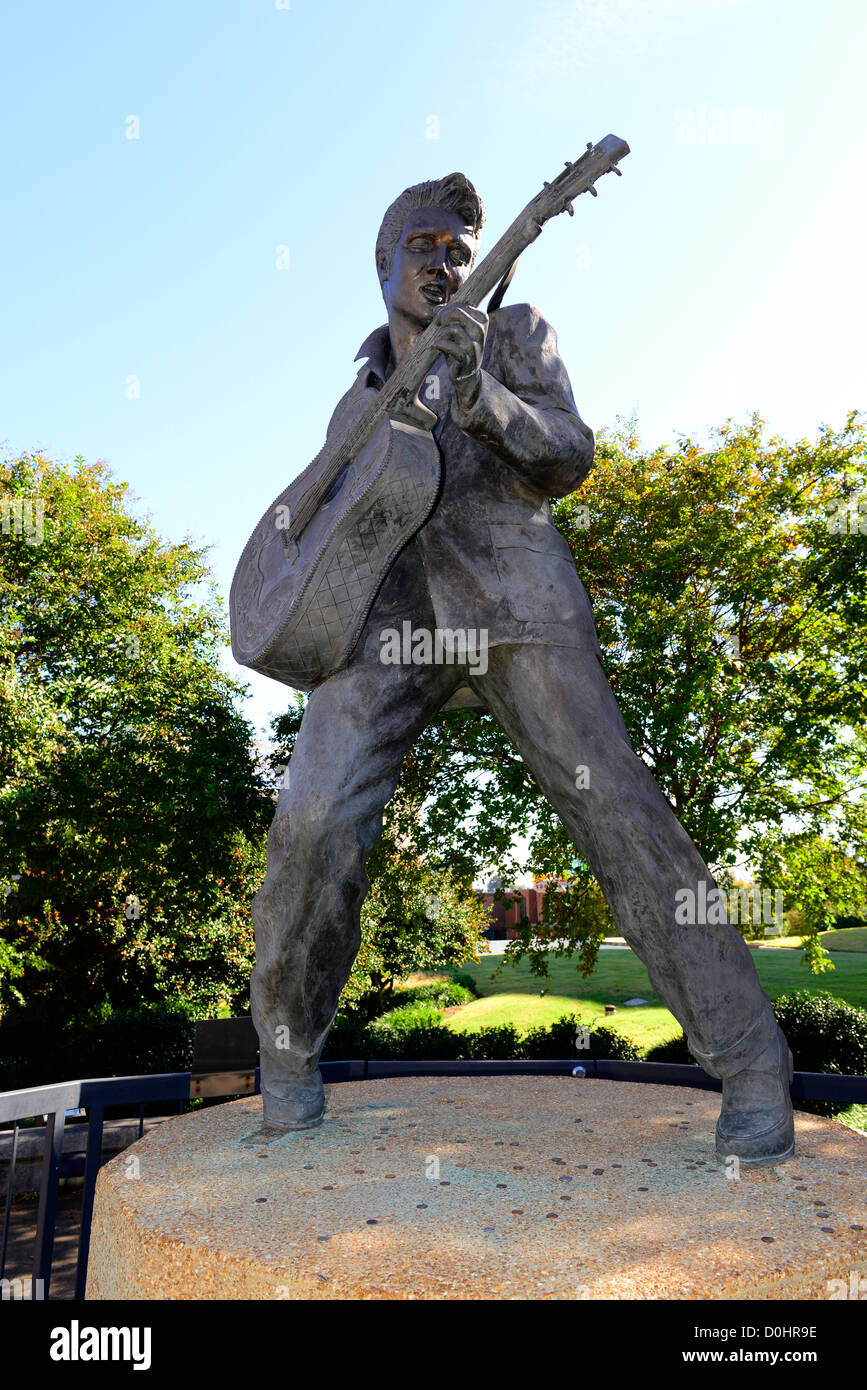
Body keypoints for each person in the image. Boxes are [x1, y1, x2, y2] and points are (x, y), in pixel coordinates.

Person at [249, 172, 794, 1165]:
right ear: (385, 265)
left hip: (515, 603)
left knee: (619, 810)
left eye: (460, 250)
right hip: (386, 624)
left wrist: (486, 396)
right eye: (427, 246)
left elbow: (569, 452)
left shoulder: (516, 332)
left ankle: (754, 1060)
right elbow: (323, 524)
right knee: (314, 817)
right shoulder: (355, 399)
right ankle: (286, 1055)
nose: (446, 263)